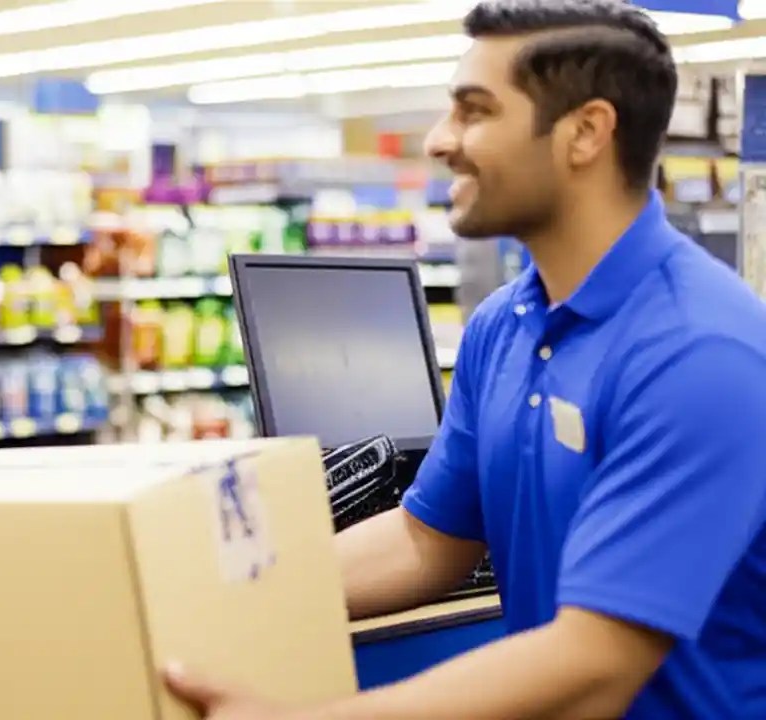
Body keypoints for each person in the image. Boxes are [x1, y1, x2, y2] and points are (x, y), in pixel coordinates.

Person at [164, 1, 766, 718]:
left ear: (586, 133)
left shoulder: (701, 352)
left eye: (474, 111)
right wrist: (206, 596)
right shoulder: (503, 325)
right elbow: (428, 539)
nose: (440, 140)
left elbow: (597, 661)